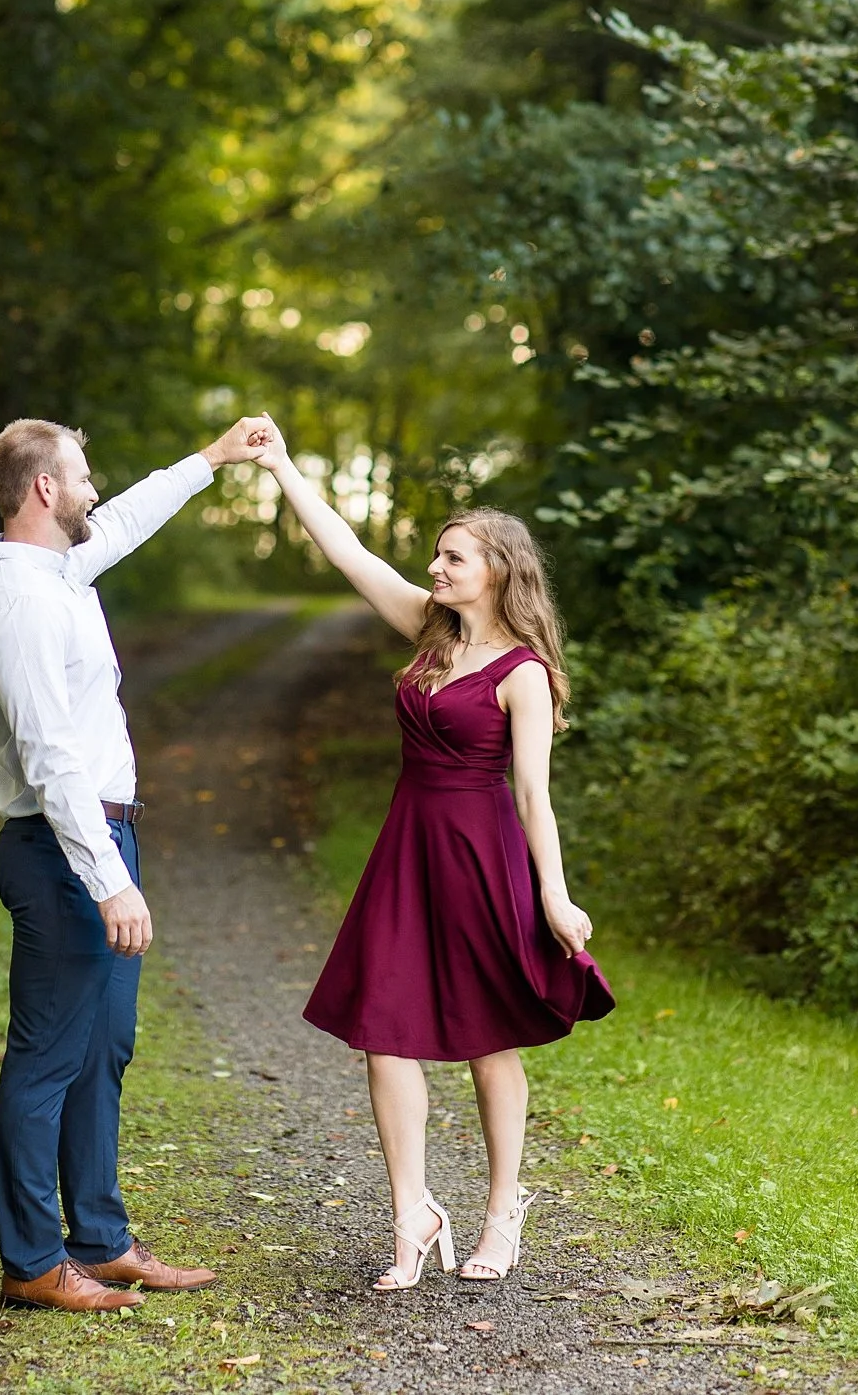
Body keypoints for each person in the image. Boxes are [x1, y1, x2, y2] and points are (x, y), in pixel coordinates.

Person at [252, 418, 613, 1288]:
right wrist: (284, 467)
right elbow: (348, 553)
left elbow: (533, 796)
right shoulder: (430, 631)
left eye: (455, 557)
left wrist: (555, 896)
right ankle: (411, 1212)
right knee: (384, 1029)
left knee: (490, 1038)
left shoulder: (523, 672)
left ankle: (502, 1210)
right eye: (438, 554)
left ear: (499, 571)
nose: (437, 567)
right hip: (406, 849)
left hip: (482, 857)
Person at [0, 412, 274, 1313]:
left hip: (99, 837)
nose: (95, 490)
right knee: (47, 1059)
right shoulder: (16, 602)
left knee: (103, 1050)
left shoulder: (57, 572)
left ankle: (98, 1238)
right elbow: (50, 756)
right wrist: (109, 878)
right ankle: (31, 1262)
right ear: (44, 487)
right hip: (65, 848)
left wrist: (213, 457)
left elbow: (126, 518)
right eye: (84, 475)